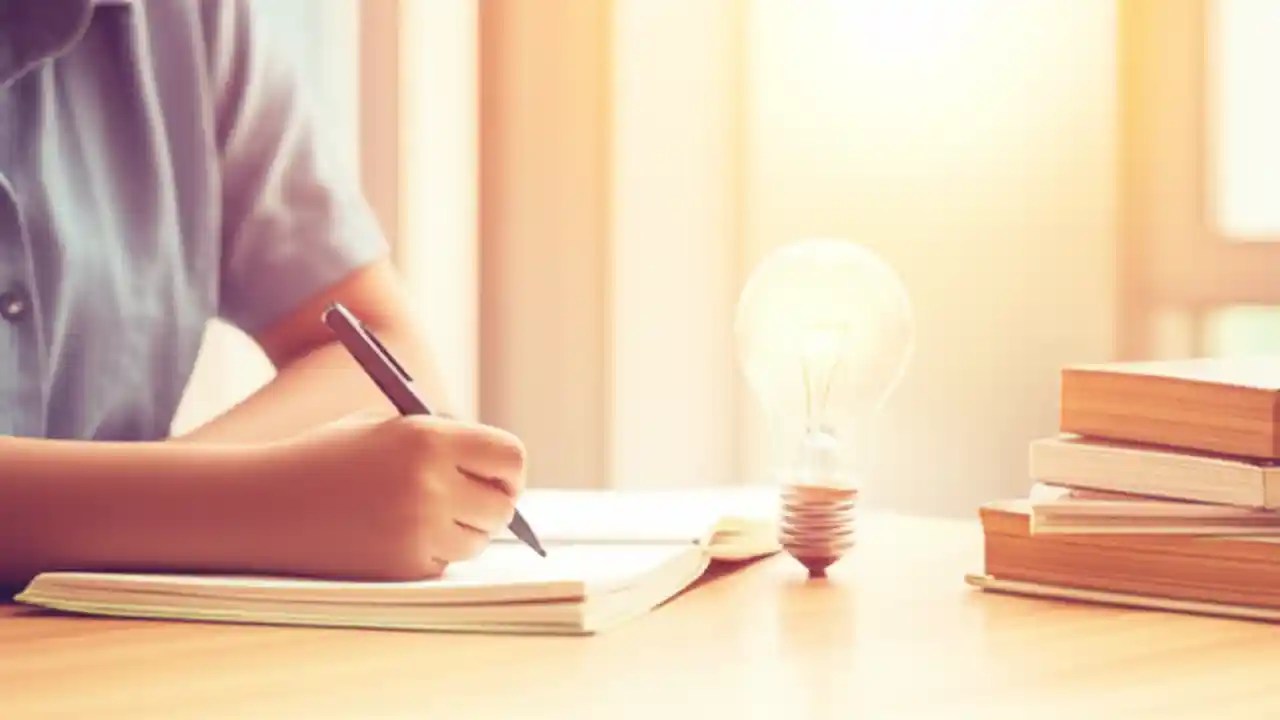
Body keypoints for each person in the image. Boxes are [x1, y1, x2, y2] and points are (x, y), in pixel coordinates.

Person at [0, 0, 524, 588]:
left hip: (102, 650)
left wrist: (184, 501)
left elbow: (376, 351)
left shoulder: (189, 20)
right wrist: (235, 506)